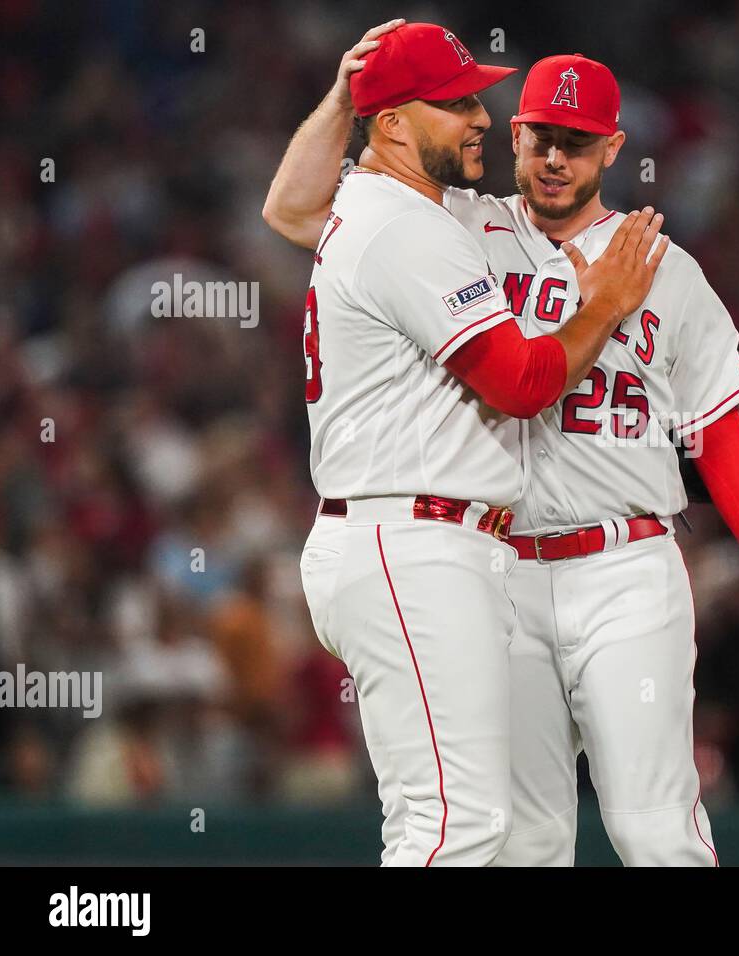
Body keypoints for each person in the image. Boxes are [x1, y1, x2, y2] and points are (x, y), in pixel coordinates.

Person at [266, 27, 739, 866]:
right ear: (516, 136)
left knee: (651, 828)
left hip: (623, 567)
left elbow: (718, 434)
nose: (556, 159)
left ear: (613, 148)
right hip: (498, 573)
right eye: (540, 138)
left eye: (577, 142)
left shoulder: (660, 267)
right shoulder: (453, 225)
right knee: (521, 841)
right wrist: (350, 95)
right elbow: (296, 210)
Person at [276, 20, 668, 866]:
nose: (481, 116)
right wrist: (601, 303)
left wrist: (346, 95)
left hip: (426, 537)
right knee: (451, 827)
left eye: (478, 96)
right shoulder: (403, 229)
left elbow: (286, 208)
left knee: (497, 831)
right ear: (391, 127)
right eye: (453, 103)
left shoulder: (389, 204)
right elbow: (523, 385)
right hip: (408, 540)